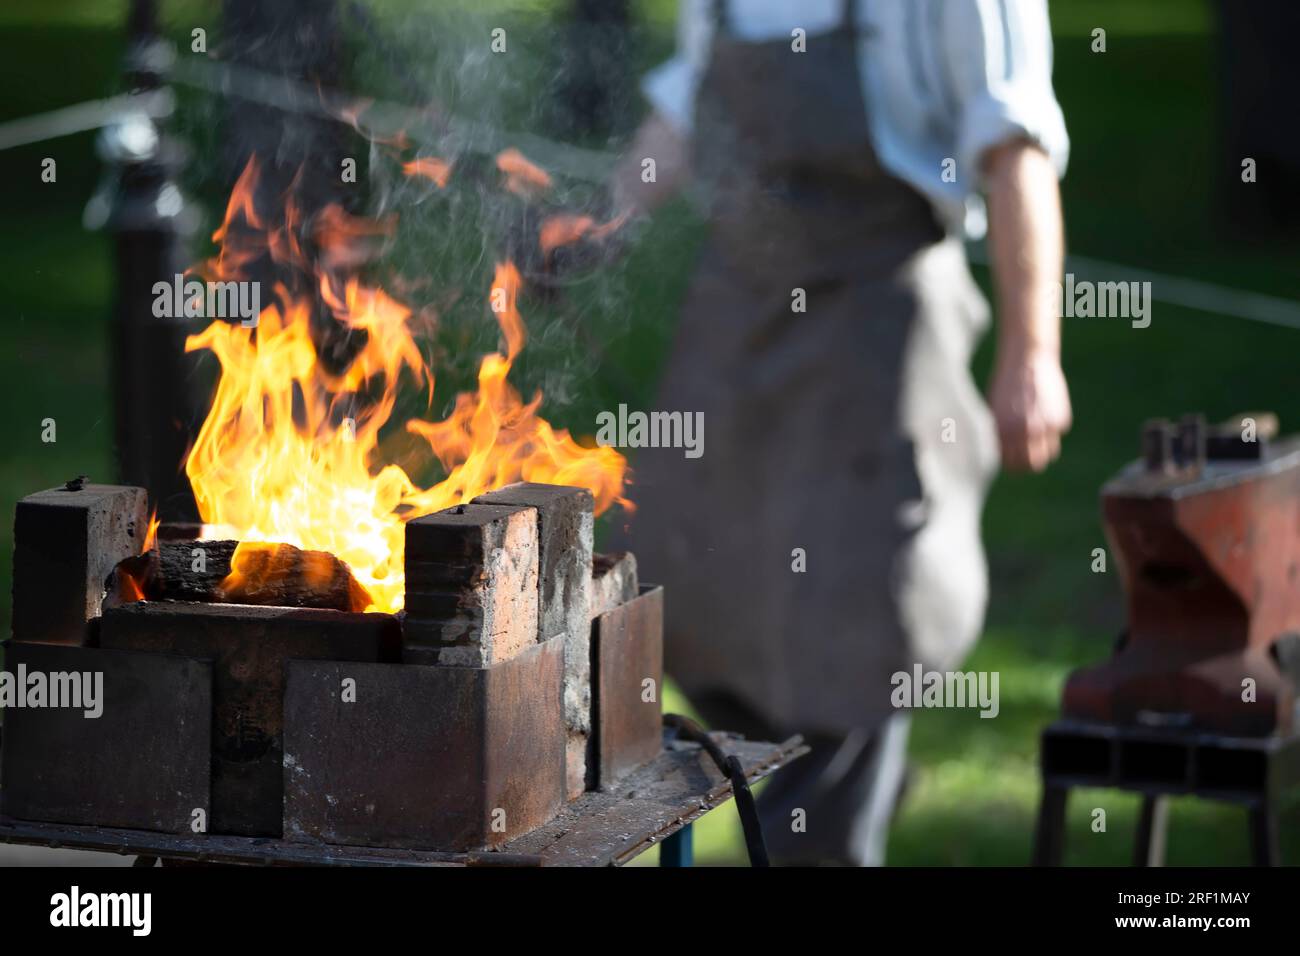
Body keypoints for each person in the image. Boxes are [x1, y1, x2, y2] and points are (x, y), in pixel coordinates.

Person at [607, 0, 1072, 866]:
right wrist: (602, 222)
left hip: (878, 306)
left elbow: (1016, 148)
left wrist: (1032, 354)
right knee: (679, 576)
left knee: (861, 595)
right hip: (740, 300)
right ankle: (820, 772)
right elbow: (684, 104)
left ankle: (833, 815)